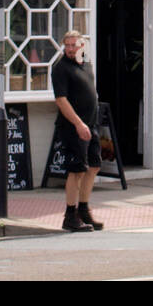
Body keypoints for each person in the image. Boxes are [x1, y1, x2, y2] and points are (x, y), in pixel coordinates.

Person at [52, 29, 102, 232]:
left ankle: (84, 209)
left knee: (94, 166)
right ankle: (70, 215)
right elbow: (61, 100)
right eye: (68, 45)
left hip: (91, 124)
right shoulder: (60, 68)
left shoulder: (86, 64)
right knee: (77, 170)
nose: (71, 49)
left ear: (82, 45)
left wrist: (90, 122)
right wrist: (78, 124)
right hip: (73, 127)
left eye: (74, 45)